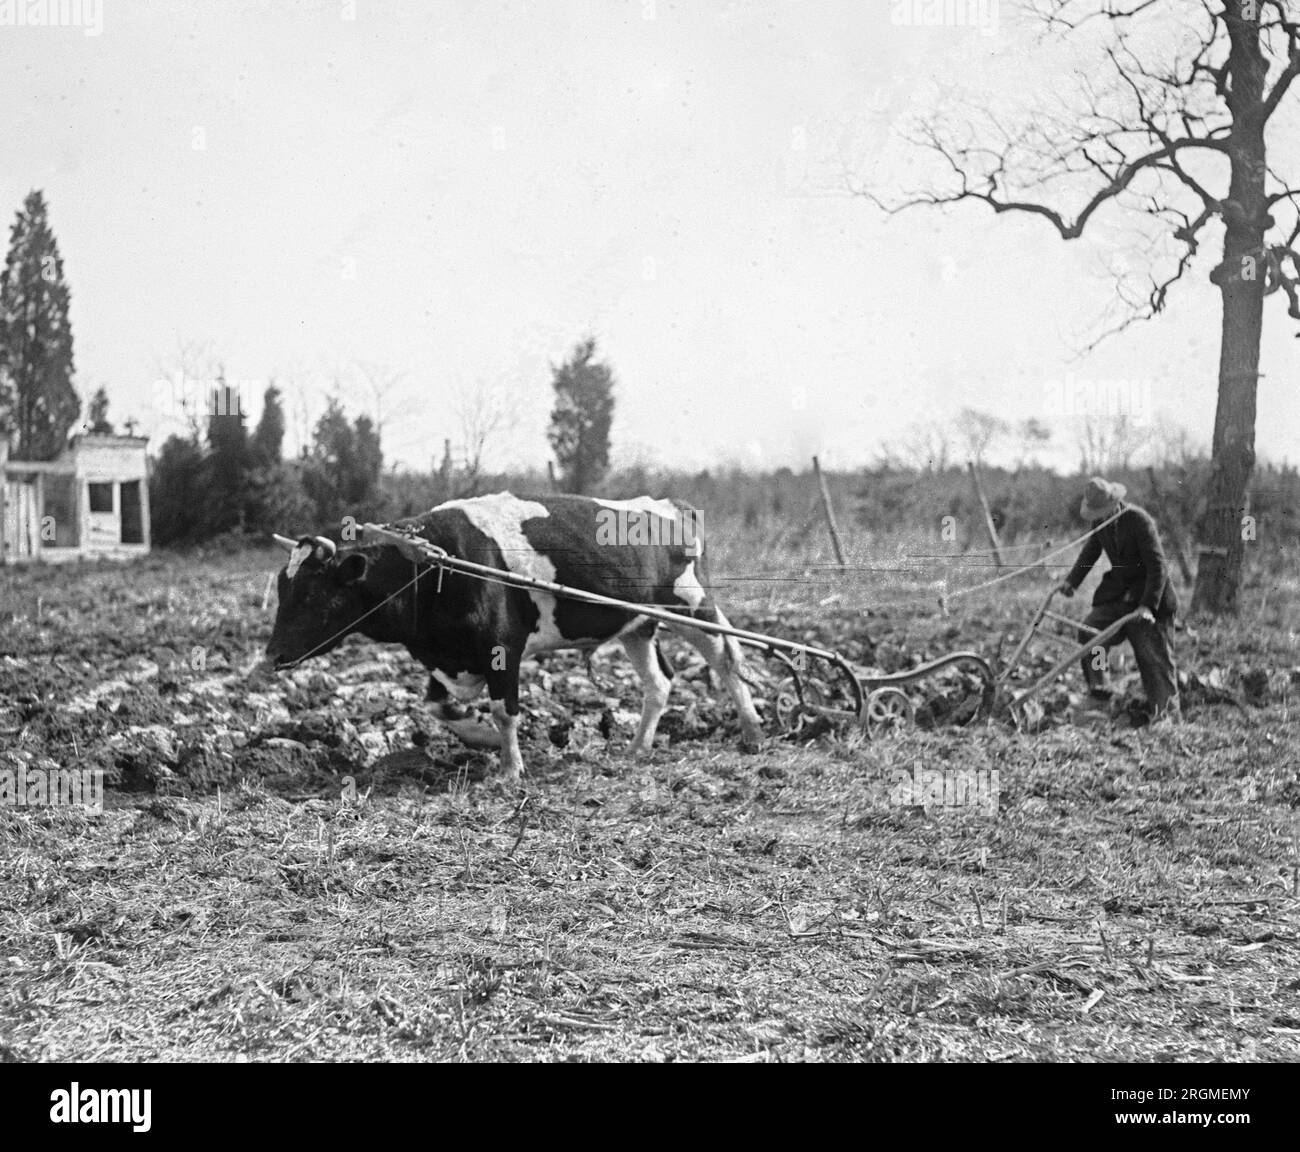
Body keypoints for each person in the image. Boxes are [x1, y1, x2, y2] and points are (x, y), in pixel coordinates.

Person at [1059, 477, 1180, 721]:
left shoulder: (1139, 520)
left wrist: (1147, 606)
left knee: (1151, 656)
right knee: (1091, 631)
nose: (1100, 516)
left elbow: (1158, 566)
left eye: (1103, 511)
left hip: (1150, 599)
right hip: (1120, 595)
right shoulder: (1101, 521)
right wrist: (1071, 582)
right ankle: (1101, 691)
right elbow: (1091, 551)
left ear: (1115, 502)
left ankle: (1166, 716)